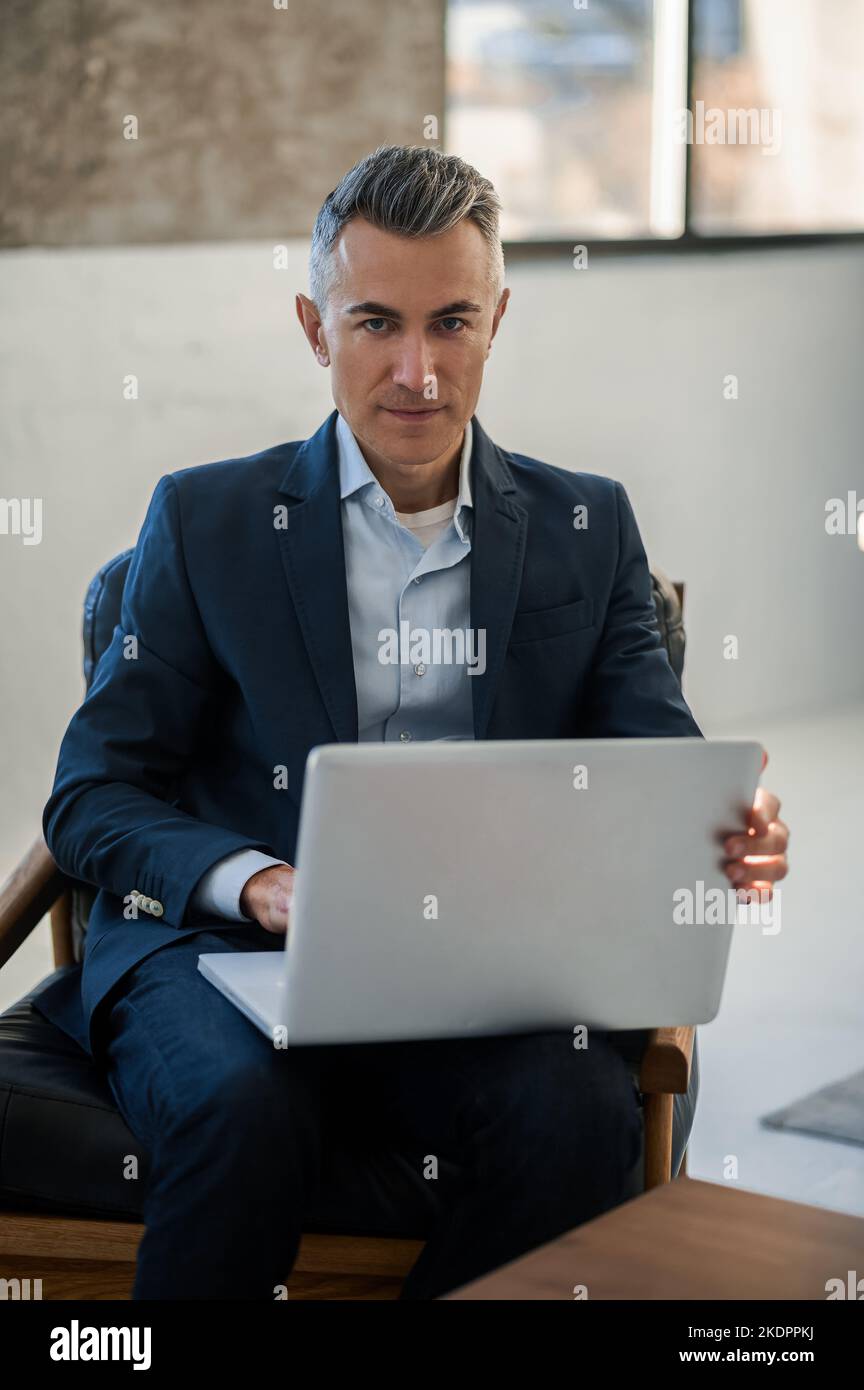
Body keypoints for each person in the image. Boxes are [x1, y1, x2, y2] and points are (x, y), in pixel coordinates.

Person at [38, 145, 789, 1300]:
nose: (417, 372)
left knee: (577, 1113)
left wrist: (723, 829)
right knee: (243, 1114)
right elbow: (93, 794)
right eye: (376, 323)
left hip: (475, 966)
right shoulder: (205, 522)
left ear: (499, 319)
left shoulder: (588, 527)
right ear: (313, 326)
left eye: (451, 324)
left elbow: (659, 767)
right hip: (223, 955)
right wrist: (258, 882)